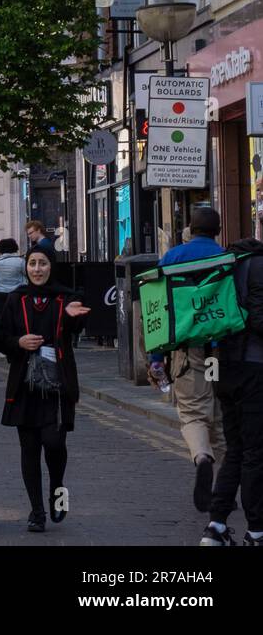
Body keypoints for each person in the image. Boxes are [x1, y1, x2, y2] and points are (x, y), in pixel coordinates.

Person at [0, 245, 89, 532]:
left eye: (43, 263)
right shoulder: (15, 299)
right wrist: (18, 343)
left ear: (52, 266)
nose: (37, 269)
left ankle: (57, 488)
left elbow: (77, 328)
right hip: (25, 384)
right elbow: (2, 338)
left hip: (57, 384)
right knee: (30, 448)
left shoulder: (66, 298)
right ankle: (36, 511)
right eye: (32, 263)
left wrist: (74, 316)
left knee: (54, 443)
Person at [152, 206, 227, 514]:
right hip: (222, 351)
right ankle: (223, 488)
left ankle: (201, 457)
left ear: (191, 229)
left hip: (187, 350)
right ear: (217, 231)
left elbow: (156, 309)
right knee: (221, 419)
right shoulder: (227, 258)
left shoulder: (171, 258)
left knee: (194, 415)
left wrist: (156, 358)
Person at [201, 232, 263, 545]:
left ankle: (216, 526)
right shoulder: (258, 266)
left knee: (235, 450)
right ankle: (256, 531)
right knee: (255, 452)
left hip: (223, 369)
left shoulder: (224, 266)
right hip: (253, 368)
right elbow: (258, 319)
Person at [0, 237, 26, 314]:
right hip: (16, 292)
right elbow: (26, 274)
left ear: (0, 249)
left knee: (1, 313)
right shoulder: (21, 261)